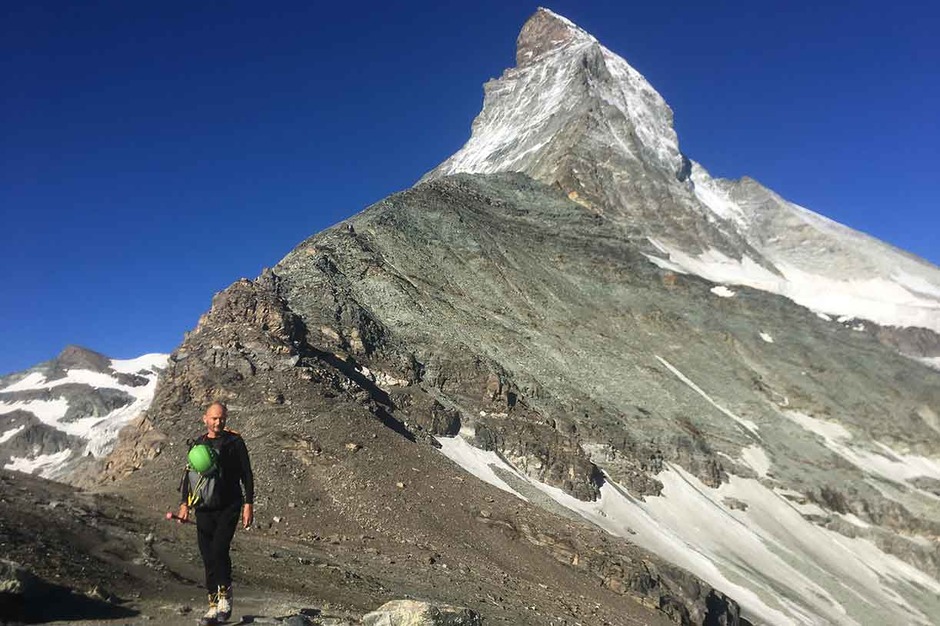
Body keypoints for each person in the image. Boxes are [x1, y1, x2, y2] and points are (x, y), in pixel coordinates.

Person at [178, 402, 254, 625]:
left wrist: (249, 503)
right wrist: (184, 504)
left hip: (229, 505)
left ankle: (225, 598)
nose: (218, 422)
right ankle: (213, 605)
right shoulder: (199, 444)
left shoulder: (234, 442)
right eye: (214, 418)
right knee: (207, 555)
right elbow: (189, 475)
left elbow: (247, 474)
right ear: (205, 419)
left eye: (221, 418)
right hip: (204, 507)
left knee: (220, 549)